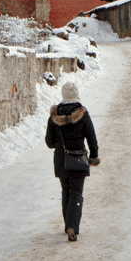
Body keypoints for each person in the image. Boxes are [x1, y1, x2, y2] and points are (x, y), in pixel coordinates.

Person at [45, 81, 99, 241]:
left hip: (61, 159)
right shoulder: (82, 113)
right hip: (78, 158)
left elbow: (49, 142)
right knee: (76, 192)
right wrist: (94, 156)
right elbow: (91, 136)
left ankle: (67, 225)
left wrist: (60, 143)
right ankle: (72, 227)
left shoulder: (54, 116)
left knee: (66, 191)